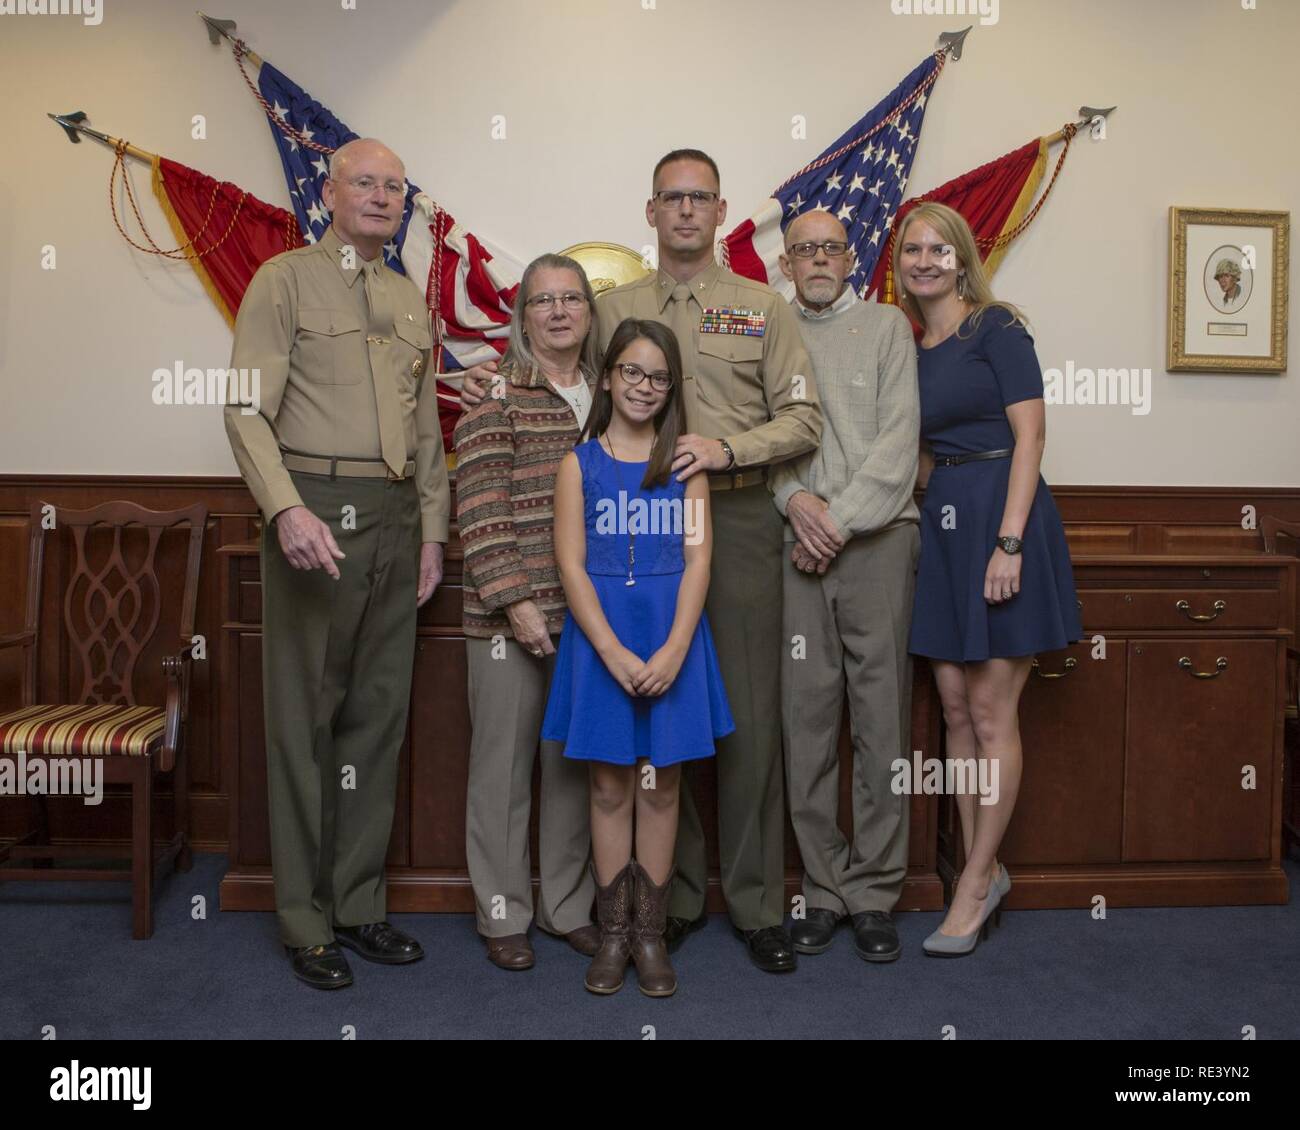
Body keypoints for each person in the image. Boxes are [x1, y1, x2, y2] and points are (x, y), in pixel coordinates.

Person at [461, 149, 820, 973]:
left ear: (722, 210)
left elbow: (804, 422)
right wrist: (495, 381)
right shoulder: (608, 306)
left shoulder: (764, 306)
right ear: (650, 211)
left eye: (700, 198)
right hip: (621, 527)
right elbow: (562, 383)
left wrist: (723, 449)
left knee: (741, 722)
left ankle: (758, 903)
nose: (686, 211)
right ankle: (671, 902)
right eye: (671, 198)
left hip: (726, 511)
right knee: (639, 731)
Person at [225, 138, 450, 989]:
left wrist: (433, 528)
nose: (384, 196)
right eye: (367, 182)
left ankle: (359, 907)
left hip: (395, 514)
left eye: (396, 187)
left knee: (376, 719)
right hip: (315, 505)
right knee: (304, 723)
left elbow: (427, 424)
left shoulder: (405, 297)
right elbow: (247, 408)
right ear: (329, 190)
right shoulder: (283, 281)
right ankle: (303, 918)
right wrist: (282, 507)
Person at [895, 201, 1082, 956]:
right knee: (953, 708)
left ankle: (971, 886)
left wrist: (1007, 541)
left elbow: (1031, 434)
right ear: (900, 263)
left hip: (1005, 516)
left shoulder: (997, 327)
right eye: (913, 249)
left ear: (963, 257)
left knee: (990, 708)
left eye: (941, 248)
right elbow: (924, 451)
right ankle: (985, 866)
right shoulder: (914, 347)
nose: (927, 260)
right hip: (945, 520)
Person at [543, 318, 733, 997]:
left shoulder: (684, 465)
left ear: (671, 386)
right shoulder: (579, 463)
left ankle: (651, 935)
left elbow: (698, 558)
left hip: (672, 634)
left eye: (658, 376)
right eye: (632, 372)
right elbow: (570, 566)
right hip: (602, 641)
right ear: (608, 377)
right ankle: (614, 932)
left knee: (661, 785)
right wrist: (612, 651)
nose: (644, 386)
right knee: (608, 784)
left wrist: (678, 646)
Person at [769, 210, 920, 963]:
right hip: (797, 545)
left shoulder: (888, 328)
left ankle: (874, 891)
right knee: (806, 721)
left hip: (879, 543)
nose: (818, 259)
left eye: (830, 247)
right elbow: (766, 437)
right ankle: (823, 889)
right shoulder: (774, 331)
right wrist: (799, 507)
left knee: (881, 721)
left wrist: (837, 522)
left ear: (849, 257)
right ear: (787, 263)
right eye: (805, 250)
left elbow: (899, 445)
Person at [453, 253, 603, 971]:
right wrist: (515, 602)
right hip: (508, 620)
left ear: (589, 312)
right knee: (502, 773)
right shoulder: (499, 397)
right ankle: (502, 913)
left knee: (571, 769)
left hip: (589, 617)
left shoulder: (613, 395)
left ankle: (566, 908)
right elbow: (480, 512)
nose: (559, 311)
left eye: (571, 298)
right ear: (523, 317)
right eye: (543, 300)